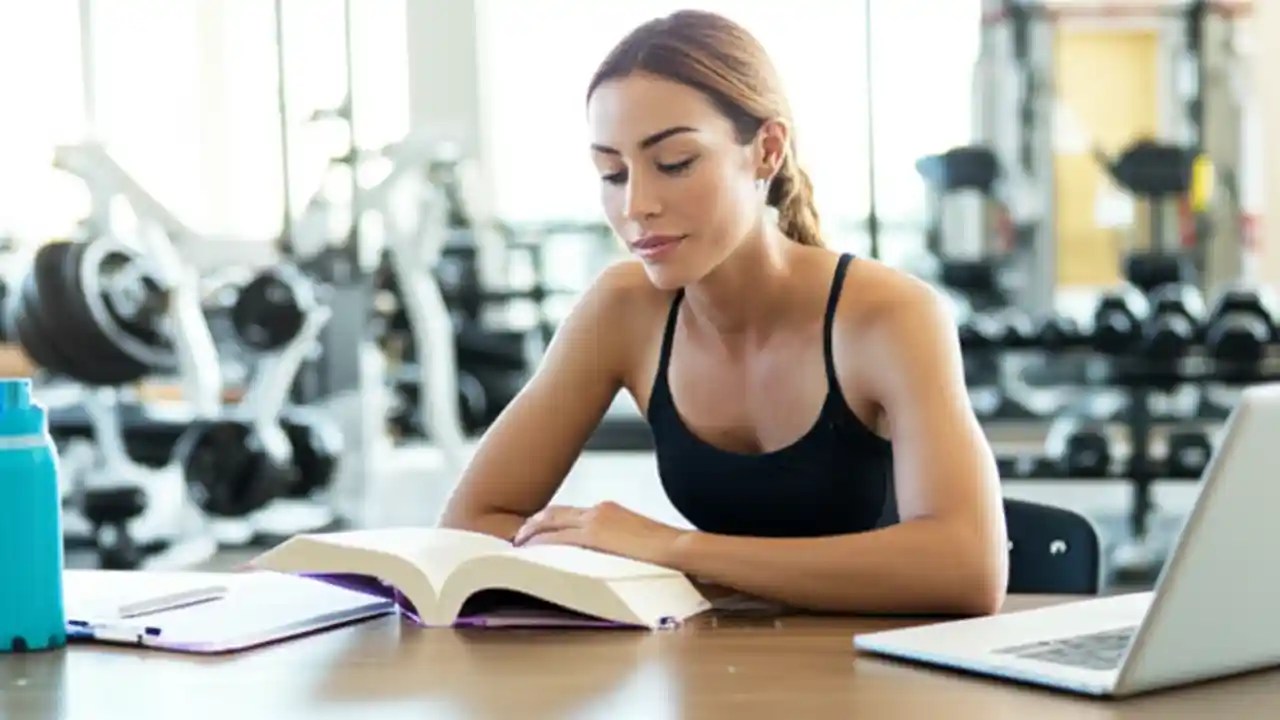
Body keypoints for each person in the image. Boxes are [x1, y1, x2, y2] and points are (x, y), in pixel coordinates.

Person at [439, 9, 1008, 616]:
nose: (636, 205)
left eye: (675, 163)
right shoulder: (623, 311)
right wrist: (634, 561)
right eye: (611, 172)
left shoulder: (890, 315)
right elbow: (469, 523)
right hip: (716, 675)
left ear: (766, 150)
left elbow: (967, 568)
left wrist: (674, 548)